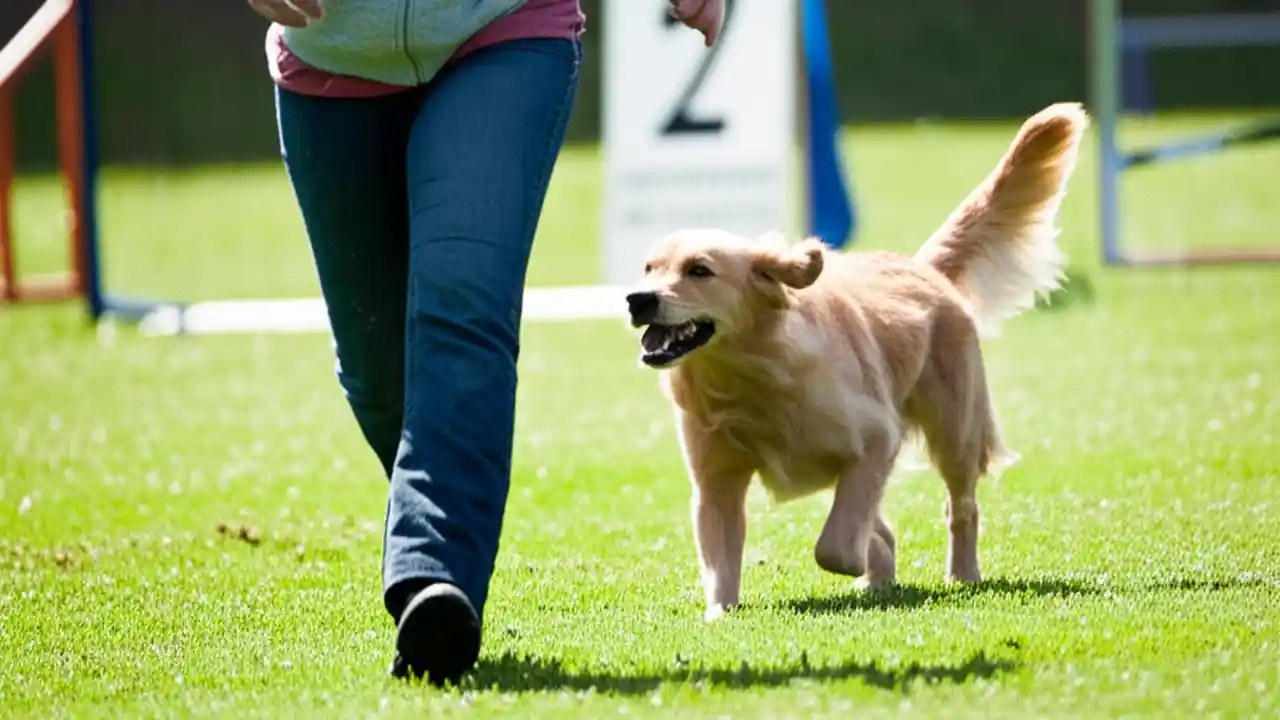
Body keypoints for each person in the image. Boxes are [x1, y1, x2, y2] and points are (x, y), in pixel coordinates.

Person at [247, 0, 725, 686]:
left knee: (463, 310)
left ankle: (433, 583)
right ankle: (439, 553)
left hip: (504, 31)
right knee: (379, 371)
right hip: (329, 58)